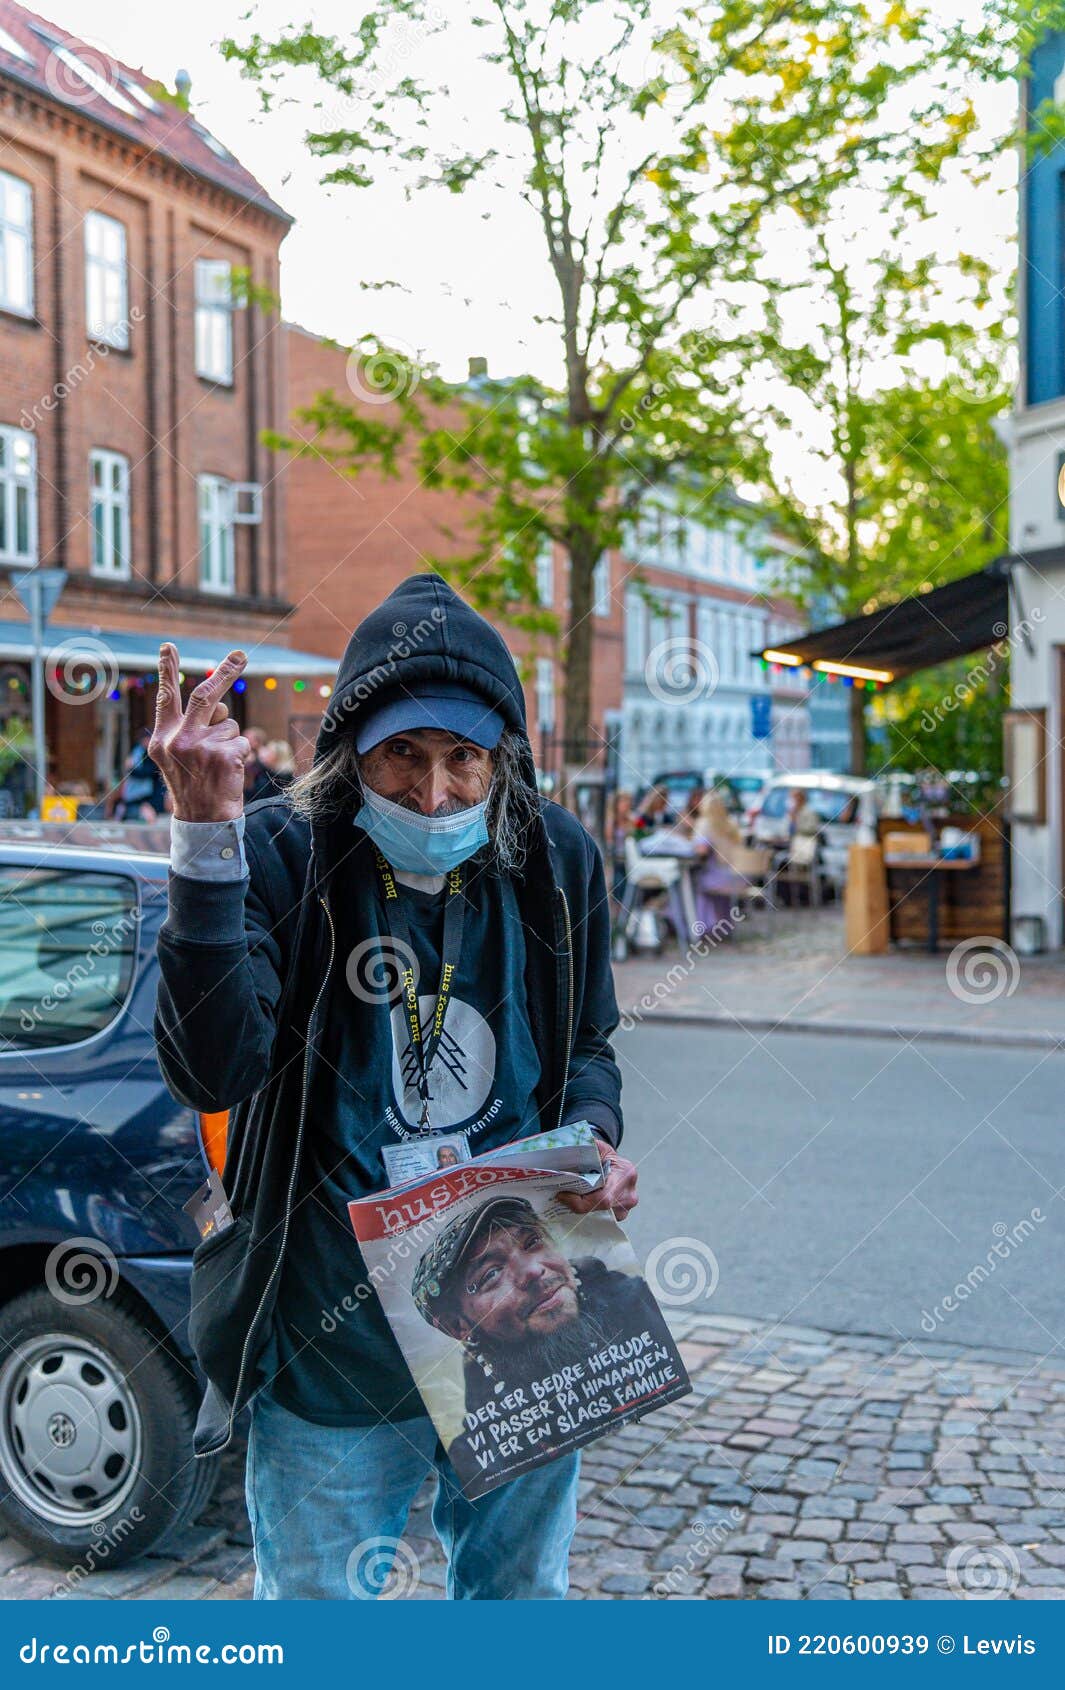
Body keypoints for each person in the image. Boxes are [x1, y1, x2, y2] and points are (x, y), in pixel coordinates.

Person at [150, 572, 637, 1601]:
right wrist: (204, 844)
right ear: (347, 753)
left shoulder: (554, 857)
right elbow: (210, 1067)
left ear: (502, 756)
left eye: (464, 759)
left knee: (520, 1605)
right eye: (401, 758)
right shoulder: (284, 852)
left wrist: (593, 1133)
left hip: (522, 1320)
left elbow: (589, 1042)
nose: (435, 794)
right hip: (331, 1341)